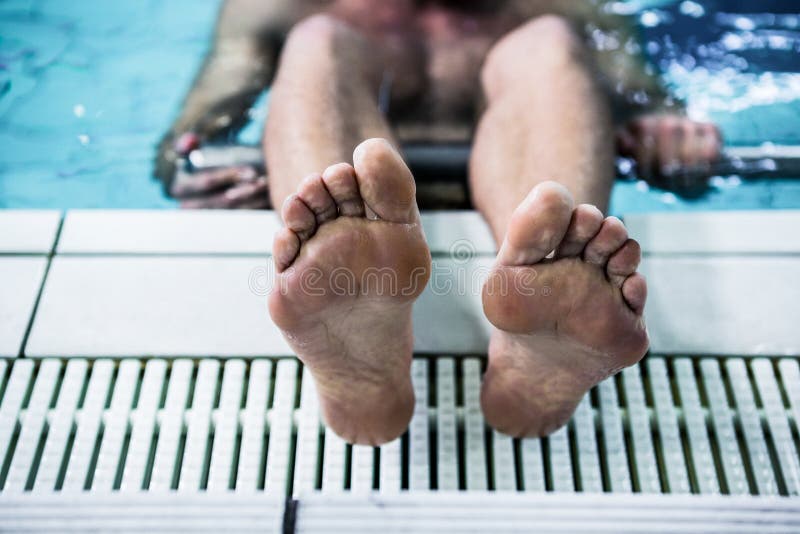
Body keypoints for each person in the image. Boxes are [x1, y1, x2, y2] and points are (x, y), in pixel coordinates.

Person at [156, 0, 722, 444]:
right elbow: (193, 135)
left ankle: (539, 322)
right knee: (318, 39)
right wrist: (193, 165)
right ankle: (357, 320)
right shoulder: (280, 5)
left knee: (548, 40)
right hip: (362, 214)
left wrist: (671, 135)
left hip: (509, 195)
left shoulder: (562, 4)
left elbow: (653, 108)